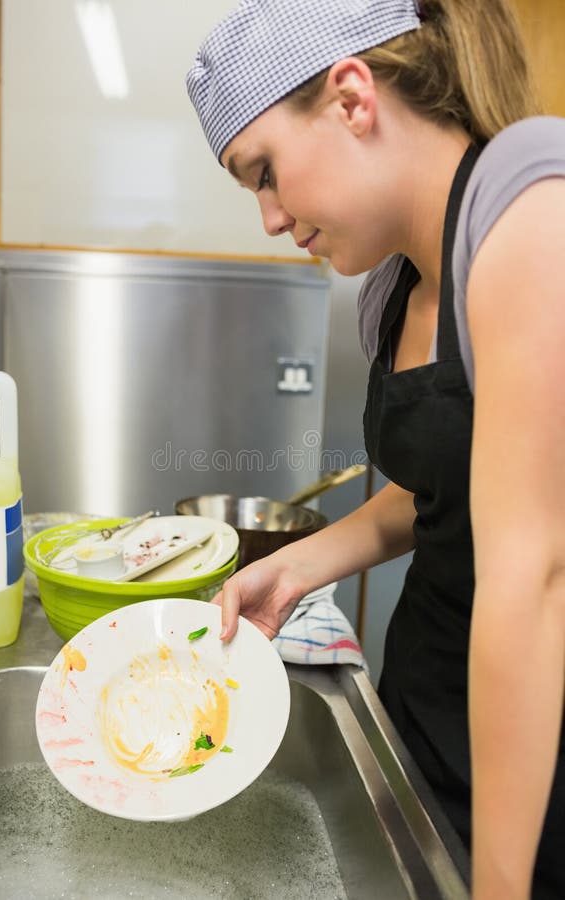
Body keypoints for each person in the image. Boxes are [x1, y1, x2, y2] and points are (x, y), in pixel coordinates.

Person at [186, 1, 565, 897]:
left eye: (265, 173)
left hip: (533, 766)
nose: (271, 218)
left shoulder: (530, 205)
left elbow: (535, 577)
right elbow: (445, 489)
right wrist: (302, 565)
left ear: (352, 98)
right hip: (429, 709)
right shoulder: (396, 285)